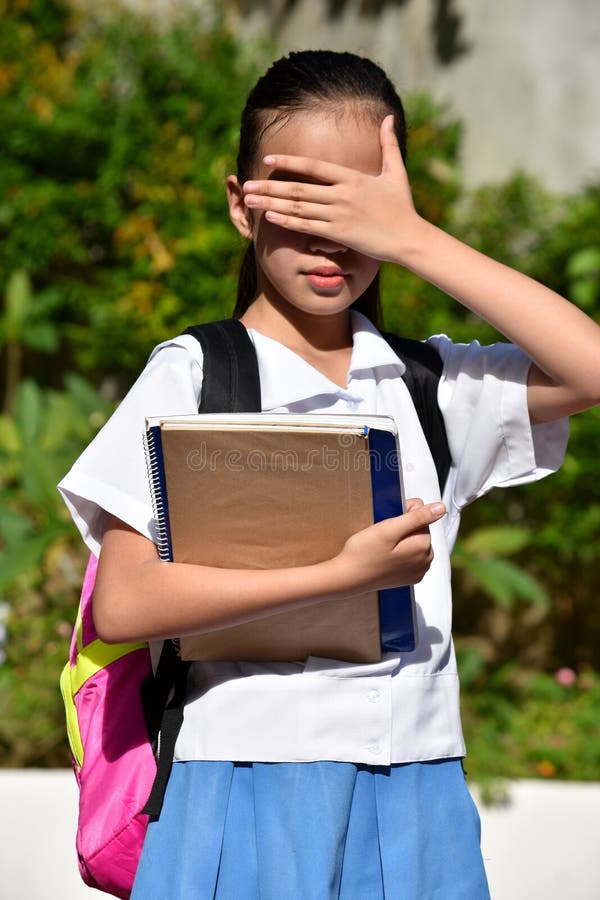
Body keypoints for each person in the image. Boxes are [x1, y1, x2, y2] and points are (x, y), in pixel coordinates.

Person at [58, 50, 600, 899]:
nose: (330, 236)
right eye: (299, 199)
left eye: (355, 205)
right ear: (242, 206)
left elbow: (592, 368)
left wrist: (414, 239)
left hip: (416, 787)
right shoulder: (196, 374)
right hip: (240, 780)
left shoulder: (430, 385)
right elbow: (126, 602)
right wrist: (335, 578)